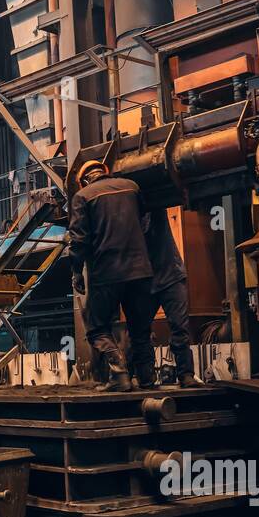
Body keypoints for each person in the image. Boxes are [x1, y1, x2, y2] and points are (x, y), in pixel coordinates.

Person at [68, 160, 154, 392]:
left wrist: (77, 271)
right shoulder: (132, 187)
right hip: (141, 270)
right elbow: (145, 221)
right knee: (140, 328)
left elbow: (79, 239)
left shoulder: (83, 196)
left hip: (107, 272)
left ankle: (119, 373)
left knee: (96, 327)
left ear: (85, 179)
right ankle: (147, 379)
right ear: (104, 173)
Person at [129, 207, 198, 388]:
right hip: (143, 280)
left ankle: (185, 375)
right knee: (139, 333)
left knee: (179, 328)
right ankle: (146, 378)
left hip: (170, 275)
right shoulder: (123, 216)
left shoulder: (154, 207)